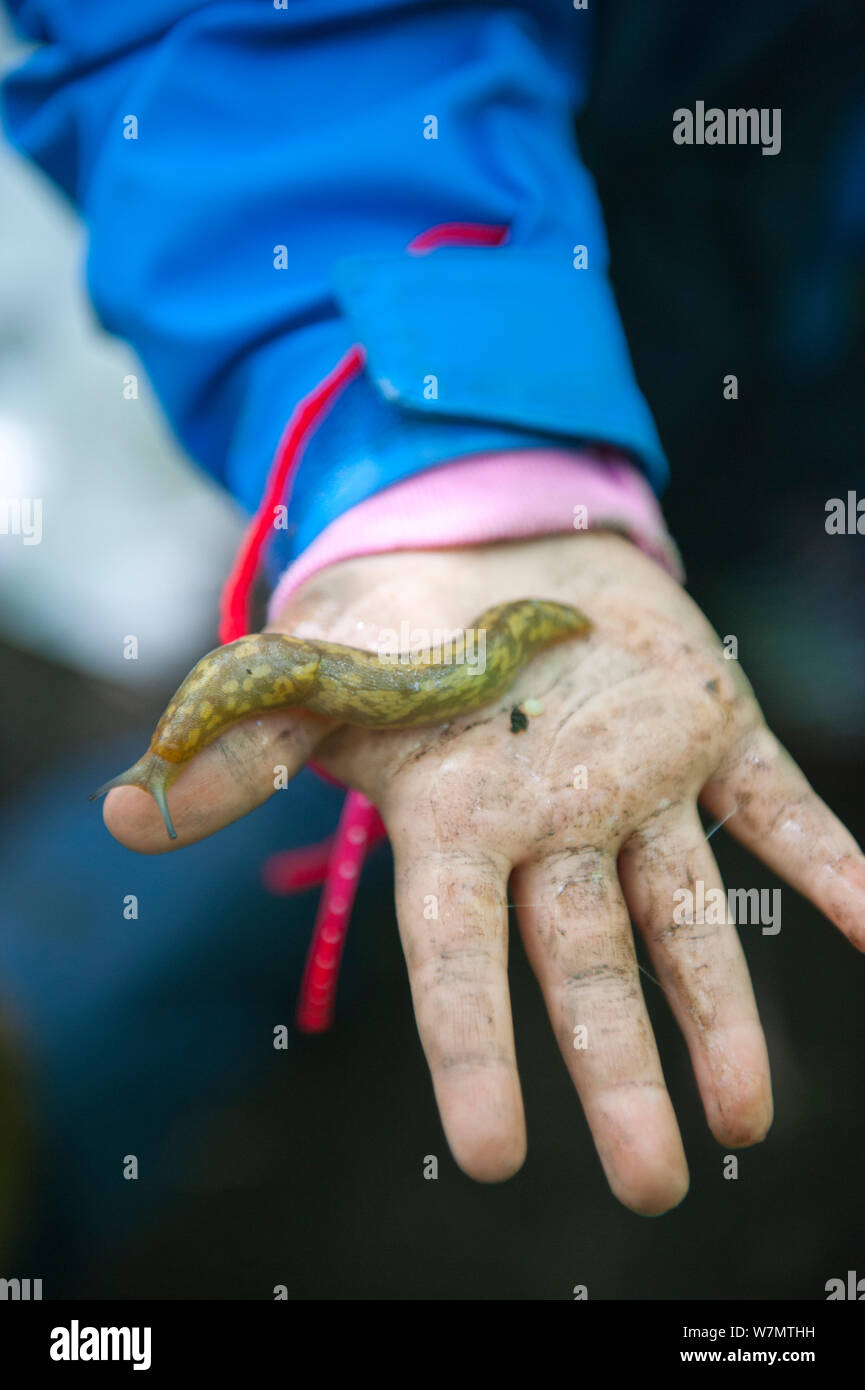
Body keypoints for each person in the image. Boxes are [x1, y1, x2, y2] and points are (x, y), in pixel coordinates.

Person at [2, 0, 863, 1221]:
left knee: (735, 486)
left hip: (755, 320)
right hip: (559, 277)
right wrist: (444, 462)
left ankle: (760, 560)